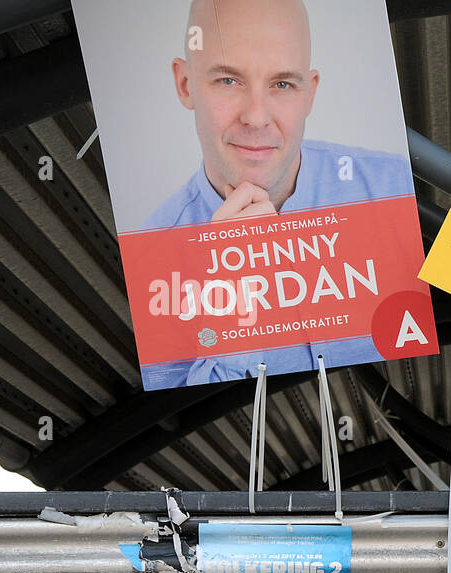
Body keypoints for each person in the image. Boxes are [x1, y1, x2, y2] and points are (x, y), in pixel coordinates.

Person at [139, 0, 415, 388]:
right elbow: (185, 418)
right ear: (185, 85)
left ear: (309, 94)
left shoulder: (397, 185)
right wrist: (233, 302)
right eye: (228, 80)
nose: (256, 117)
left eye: (282, 84)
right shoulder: (151, 257)